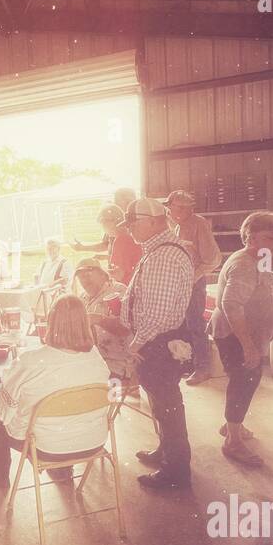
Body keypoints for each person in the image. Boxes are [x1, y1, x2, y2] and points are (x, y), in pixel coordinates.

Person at [0, 295, 110, 487]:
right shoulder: (96, 357)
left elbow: (4, 400)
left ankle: (0, 477)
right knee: (64, 406)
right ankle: (62, 469)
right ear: (84, 322)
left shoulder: (31, 360)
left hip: (47, 447)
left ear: (52, 321)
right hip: (93, 441)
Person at [117, 198, 194, 491]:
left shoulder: (163, 256)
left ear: (154, 221)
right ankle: (166, 452)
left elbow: (158, 314)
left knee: (168, 405)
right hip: (158, 341)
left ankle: (176, 471)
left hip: (157, 342)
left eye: (134, 224)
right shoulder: (157, 251)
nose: (131, 230)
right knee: (162, 404)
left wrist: (135, 344)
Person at [209, 211, 273, 468]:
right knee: (242, 384)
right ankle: (232, 441)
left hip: (251, 336)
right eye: (272, 238)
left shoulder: (261, 258)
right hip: (236, 336)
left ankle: (233, 424)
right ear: (251, 237)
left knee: (247, 383)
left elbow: (265, 290)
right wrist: (248, 346)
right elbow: (231, 305)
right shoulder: (244, 263)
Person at [165, 190, 223, 386]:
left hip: (193, 282)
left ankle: (203, 368)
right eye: (175, 207)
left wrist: (193, 277)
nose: (177, 210)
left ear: (191, 208)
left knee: (195, 325)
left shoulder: (198, 223)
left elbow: (213, 259)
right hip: (180, 281)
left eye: (183, 207)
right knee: (182, 325)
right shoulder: (177, 226)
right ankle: (189, 364)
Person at [74, 258, 132, 383]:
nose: (84, 280)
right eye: (80, 277)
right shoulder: (82, 298)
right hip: (92, 361)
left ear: (102, 274)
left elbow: (127, 328)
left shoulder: (118, 291)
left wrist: (99, 319)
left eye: (88, 275)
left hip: (116, 363)